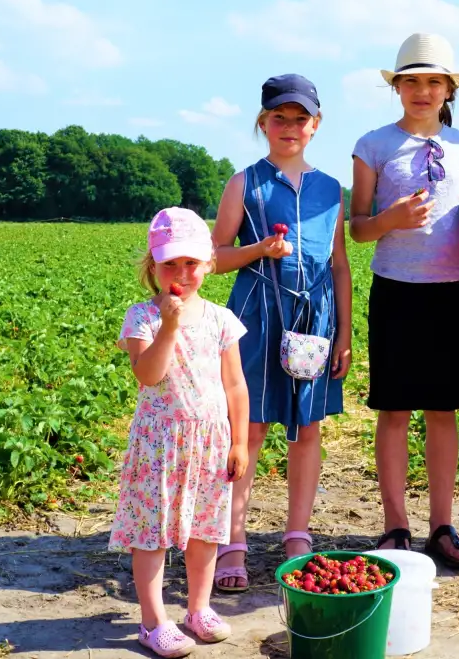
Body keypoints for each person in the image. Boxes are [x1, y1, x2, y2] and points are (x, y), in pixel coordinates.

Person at [348, 32, 459, 568]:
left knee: (443, 410)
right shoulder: (373, 145)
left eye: (434, 82)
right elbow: (358, 226)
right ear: (397, 87)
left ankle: (442, 525)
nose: (422, 91)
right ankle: (395, 526)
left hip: (451, 291)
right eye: (412, 81)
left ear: (449, 89)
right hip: (396, 290)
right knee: (393, 410)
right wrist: (391, 220)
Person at [209, 74, 353, 592]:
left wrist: (343, 333)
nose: (289, 127)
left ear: (316, 125)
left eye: (300, 119)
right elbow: (214, 257)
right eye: (279, 118)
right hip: (255, 316)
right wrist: (258, 251)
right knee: (248, 429)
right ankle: (232, 540)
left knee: (308, 427)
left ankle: (297, 534)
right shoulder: (244, 183)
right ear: (263, 123)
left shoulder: (331, 189)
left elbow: (338, 264)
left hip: (314, 322)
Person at [109, 207, 250, 657]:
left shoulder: (221, 319)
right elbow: (149, 375)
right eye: (171, 263)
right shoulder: (143, 318)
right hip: (159, 445)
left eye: (191, 263)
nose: (181, 273)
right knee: (151, 532)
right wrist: (168, 326)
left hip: (210, 441)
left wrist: (240, 440)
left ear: (209, 263)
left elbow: (235, 384)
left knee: (207, 530)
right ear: (153, 266)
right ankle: (153, 622)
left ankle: (198, 609)